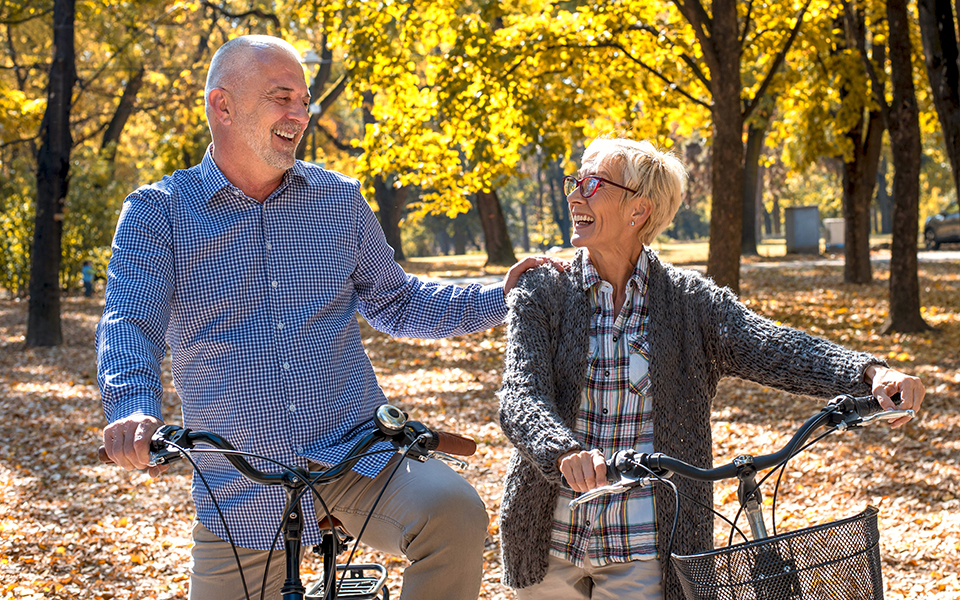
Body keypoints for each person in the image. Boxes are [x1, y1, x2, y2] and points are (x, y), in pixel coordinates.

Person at [97, 34, 556, 600]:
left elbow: (399, 300)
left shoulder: (337, 200)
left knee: (455, 514)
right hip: (238, 485)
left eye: (304, 100)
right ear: (223, 106)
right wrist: (131, 410)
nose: (300, 114)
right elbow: (129, 323)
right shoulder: (159, 212)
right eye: (281, 97)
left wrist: (502, 294)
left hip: (356, 455)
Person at [495, 134, 925, 600]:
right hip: (550, 541)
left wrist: (869, 373)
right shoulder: (543, 289)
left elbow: (774, 346)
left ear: (638, 211)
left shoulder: (691, 304)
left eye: (593, 184)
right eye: (574, 182)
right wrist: (561, 450)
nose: (576, 194)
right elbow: (521, 392)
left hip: (646, 551)